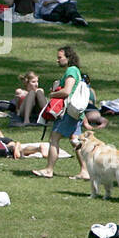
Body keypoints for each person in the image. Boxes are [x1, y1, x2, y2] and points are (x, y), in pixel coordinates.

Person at [34, 46, 88, 179]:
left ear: (68, 58)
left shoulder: (71, 70)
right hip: (76, 113)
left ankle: (49, 170)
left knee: (54, 139)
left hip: (68, 112)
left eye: (60, 57)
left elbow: (67, 91)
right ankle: (85, 171)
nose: (57, 60)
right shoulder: (76, 71)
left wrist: (53, 94)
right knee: (75, 140)